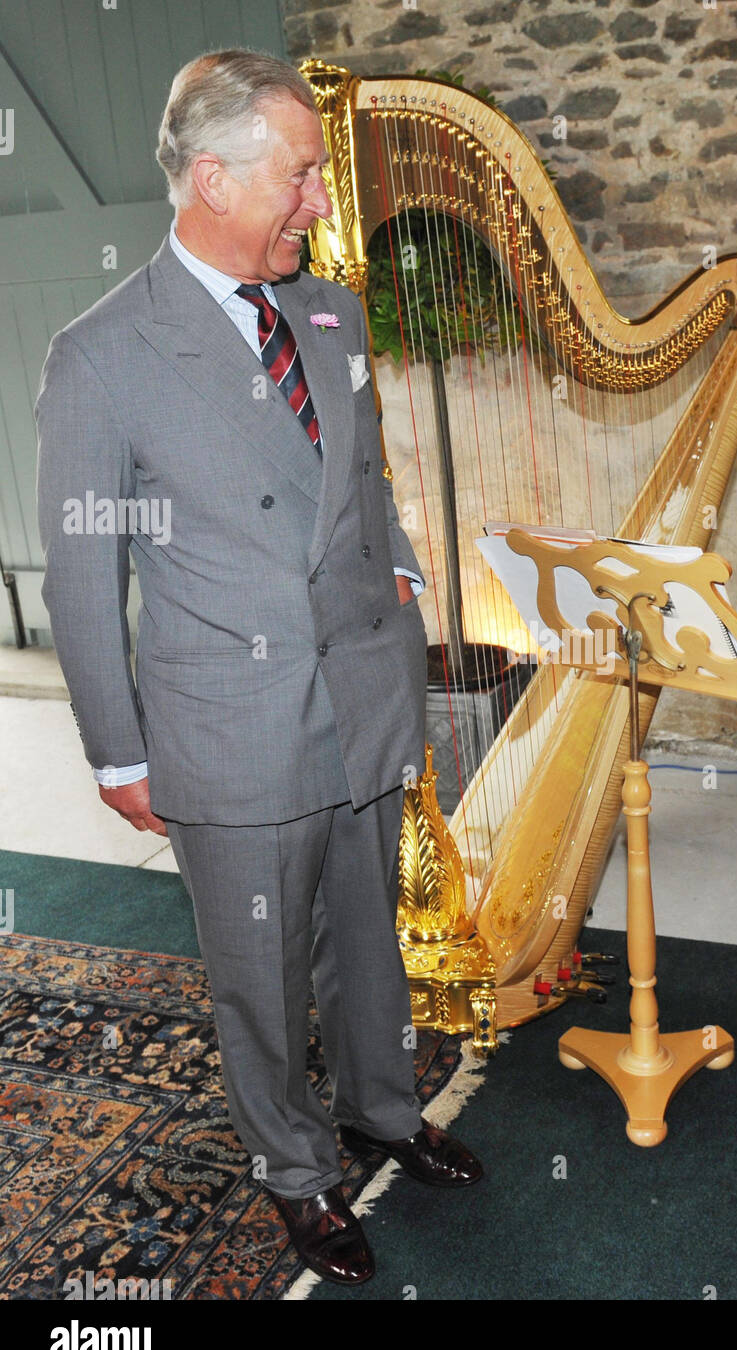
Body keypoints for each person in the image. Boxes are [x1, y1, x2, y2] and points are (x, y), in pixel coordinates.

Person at [36, 49, 482, 1287]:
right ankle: (296, 1172)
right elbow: (84, 576)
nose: (322, 202)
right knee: (262, 971)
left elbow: (370, 475)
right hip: (228, 726)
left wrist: (396, 569)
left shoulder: (329, 313)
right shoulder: (101, 355)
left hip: (362, 696)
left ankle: (385, 1113)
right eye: (301, 176)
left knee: (370, 940)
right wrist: (119, 749)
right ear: (215, 177)